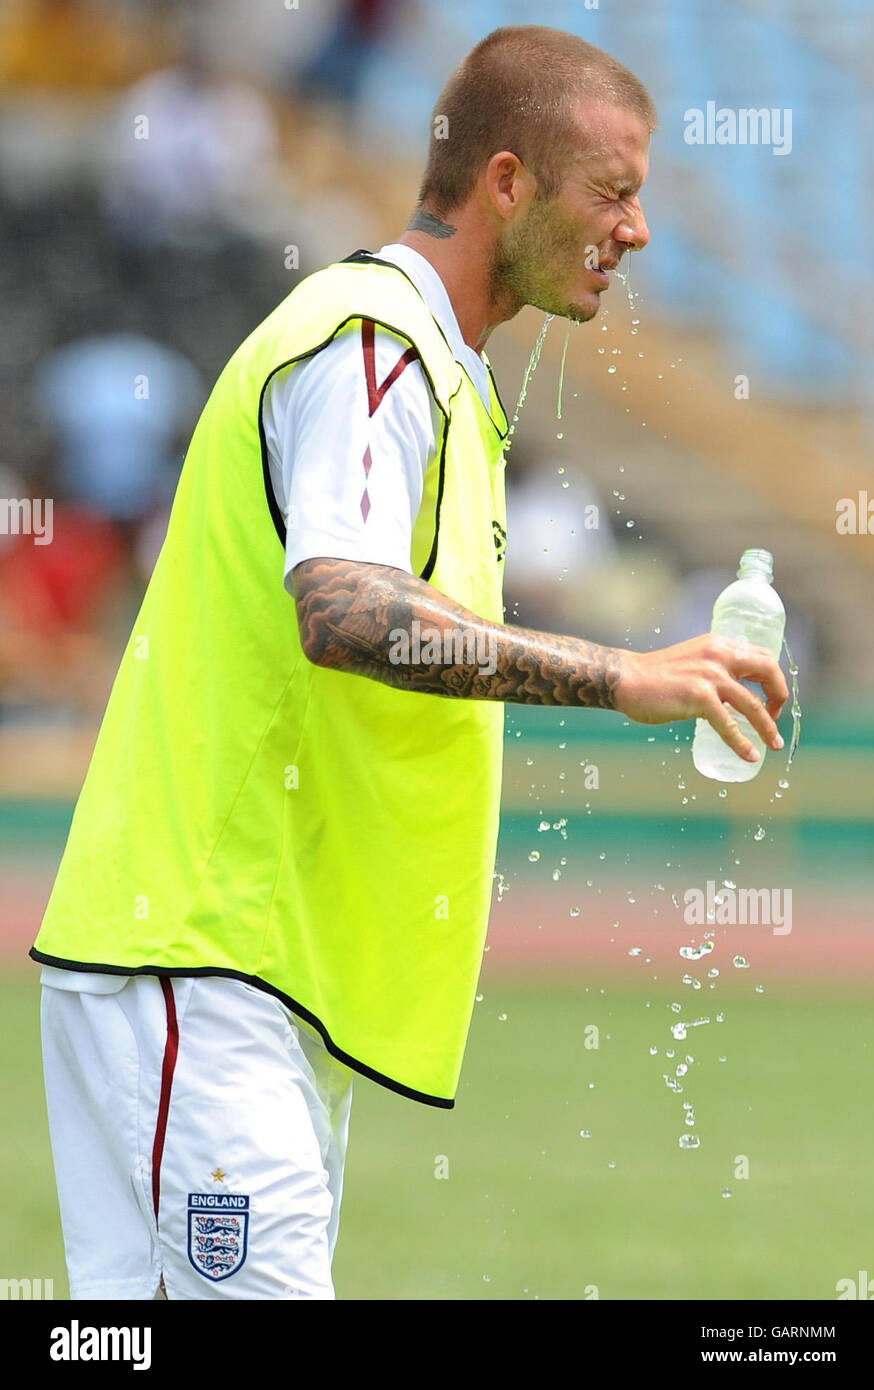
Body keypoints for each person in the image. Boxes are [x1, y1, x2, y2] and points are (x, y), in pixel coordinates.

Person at [32, 25, 788, 1301]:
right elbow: (344, 608)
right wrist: (620, 676)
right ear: (507, 183)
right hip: (201, 964)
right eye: (613, 191)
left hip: (239, 977)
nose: (638, 228)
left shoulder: (436, 368)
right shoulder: (372, 340)